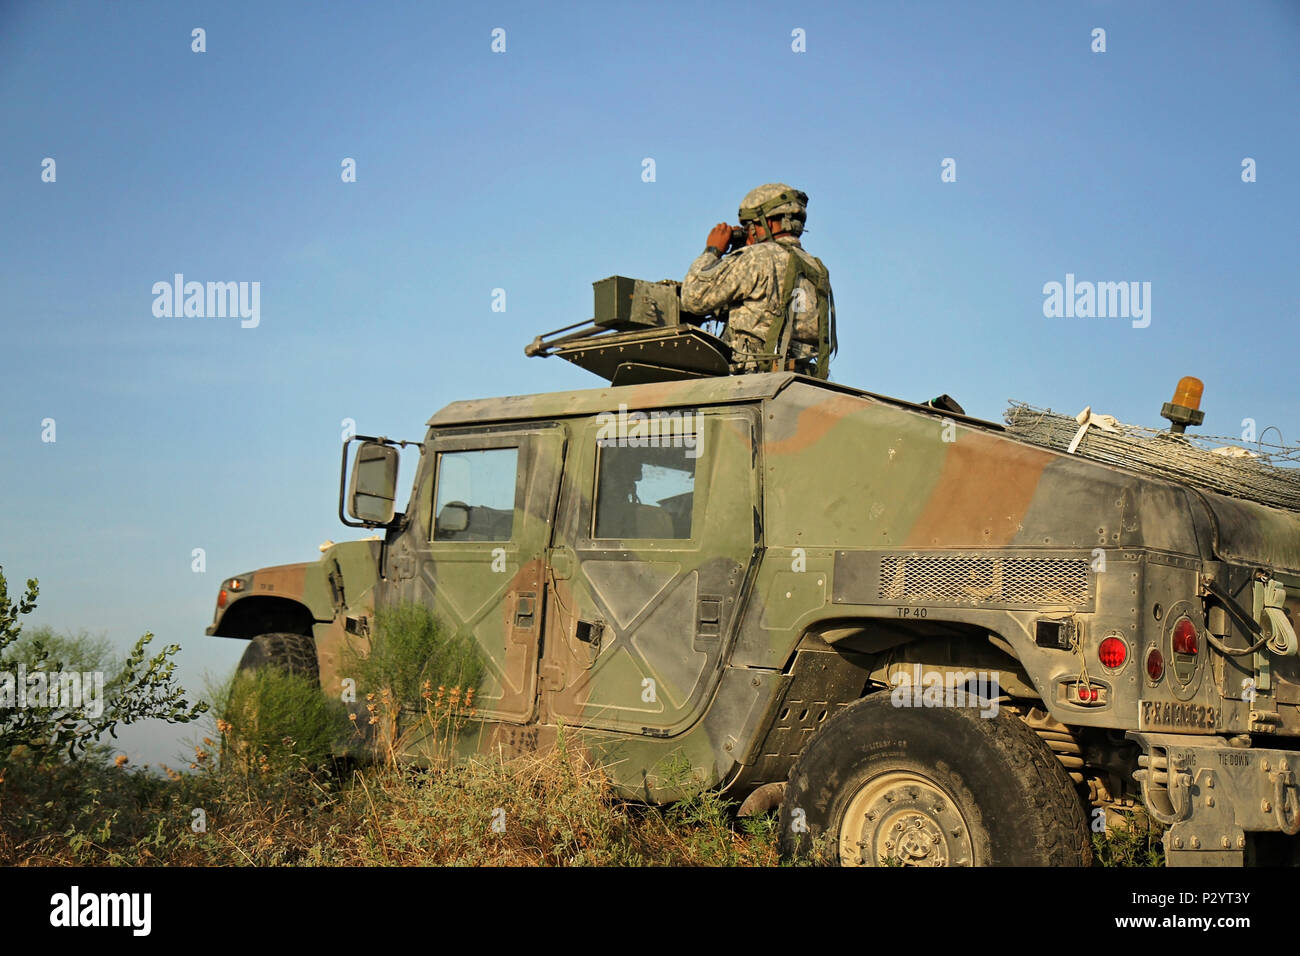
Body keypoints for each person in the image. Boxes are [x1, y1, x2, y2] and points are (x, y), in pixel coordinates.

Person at [681, 183, 836, 378]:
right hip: (802, 379)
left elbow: (694, 299)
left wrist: (713, 251)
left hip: (752, 379)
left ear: (767, 223)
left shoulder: (757, 258)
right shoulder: (816, 267)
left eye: (749, 225)